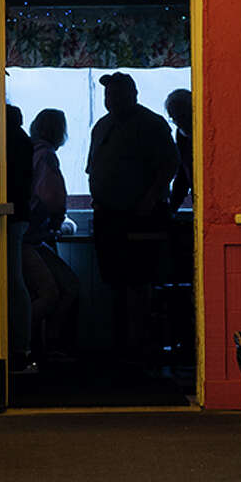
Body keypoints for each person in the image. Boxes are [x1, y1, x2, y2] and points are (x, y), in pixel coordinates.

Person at [86, 73, 176, 363]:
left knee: (139, 282)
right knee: (112, 281)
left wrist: (149, 201)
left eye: (116, 93)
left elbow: (169, 166)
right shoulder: (102, 126)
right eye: (107, 94)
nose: (110, 99)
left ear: (133, 94)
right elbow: (93, 168)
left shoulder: (151, 124)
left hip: (140, 217)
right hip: (107, 215)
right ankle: (119, 346)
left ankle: (140, 348)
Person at [23, 108, 82, 360]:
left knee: (56, 289)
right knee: (61, 289)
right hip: (32, 238)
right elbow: (51, 196)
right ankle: (23, 339)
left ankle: (38, 343)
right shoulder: (46, 156)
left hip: (27, 236)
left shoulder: (29, 152)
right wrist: (58, 216)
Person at [5, 103, 36, 375]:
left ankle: (17, 347)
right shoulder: (25, 142)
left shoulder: (11, 142)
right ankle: (19, 347)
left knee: (13, 282)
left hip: (8, 217)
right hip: (18, 217)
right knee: (15, 281)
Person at [165, 88, 193, 211]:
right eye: (174, 118)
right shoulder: (181, 134)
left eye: (181, 116)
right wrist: (172, 208)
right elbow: (182, 174)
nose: (178, 123)